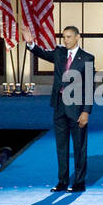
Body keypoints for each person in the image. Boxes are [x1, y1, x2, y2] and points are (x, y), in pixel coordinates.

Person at [22, 24, 93, 192]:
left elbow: (89, 87)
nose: (65, 40)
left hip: (77, 109)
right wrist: (31, 43)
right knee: (61, 146)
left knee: (79, 146)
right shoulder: (59, 53)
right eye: (64, 37)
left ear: (77, 37)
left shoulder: (87, 58)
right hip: (59, 106)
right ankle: (62, 181)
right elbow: (41, 53)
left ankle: (79, 182)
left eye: (69, 37)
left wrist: (86, 111)